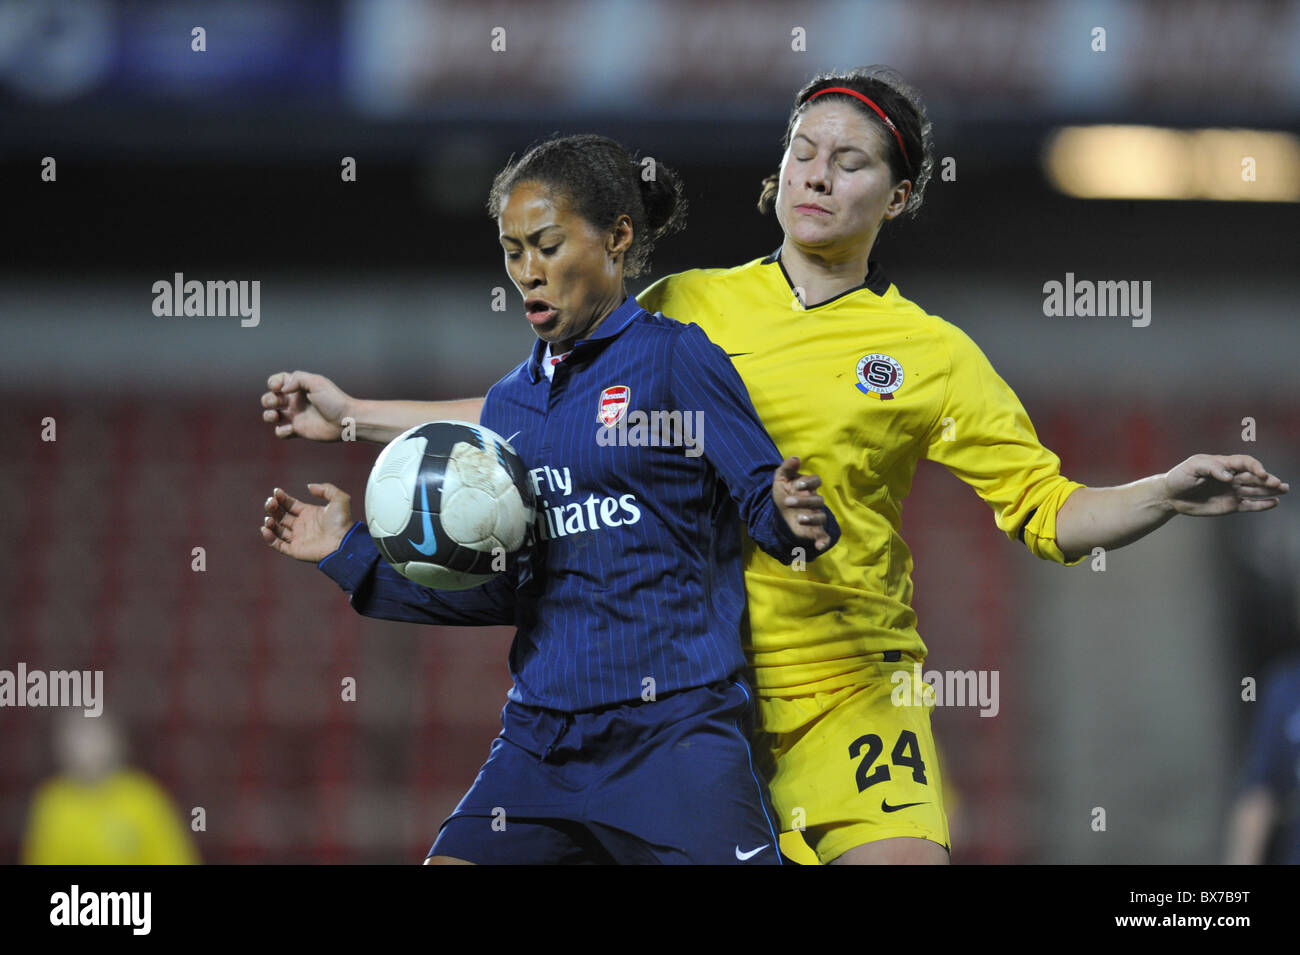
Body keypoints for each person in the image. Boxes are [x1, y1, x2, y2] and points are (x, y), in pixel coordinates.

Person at [261, 67, 1289, 865]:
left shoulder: (931, 353)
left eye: (850, 161)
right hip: (686, 699)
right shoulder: (681, 308)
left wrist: (1161, 491)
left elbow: (1049, 512)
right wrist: (356, 417)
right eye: (803, 150)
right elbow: (525, 420)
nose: (817, 172)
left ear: (899, 195)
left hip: (849, 691)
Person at [261, 134, 840, 864]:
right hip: (540, 742)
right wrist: (348, 549)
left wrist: (790, 517)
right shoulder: (513, 403)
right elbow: (500, 586)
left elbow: (763, 495)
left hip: (673, 736)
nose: (527, 273)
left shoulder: (675, 358)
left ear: (618, 237)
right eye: (511, 251)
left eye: (546, 244)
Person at [23, 713, 200, 865]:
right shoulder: (51, 802)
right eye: (78, 740)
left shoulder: (145, 798)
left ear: (115, 740)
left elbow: (173, 858)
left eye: (94, 738)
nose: (87, 750)